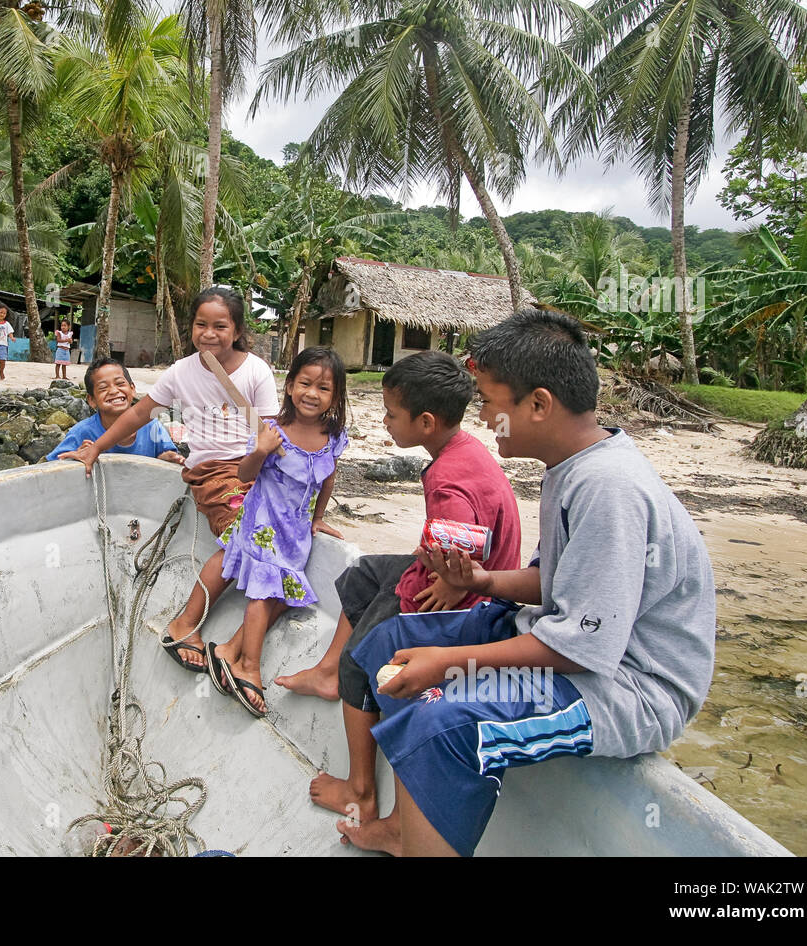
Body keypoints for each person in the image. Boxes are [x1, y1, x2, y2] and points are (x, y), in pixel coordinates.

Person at [353, 308, 716, 857]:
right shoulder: (569, 465)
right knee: (390, 643)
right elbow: (556, 581)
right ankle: (407, 829)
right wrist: (484, 579)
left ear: (539, 404)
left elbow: (584, 648)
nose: (482, 415)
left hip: (627, 685)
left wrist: (451, 663)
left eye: (489, 402)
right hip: (569, 641)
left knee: (441, 723)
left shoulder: (607, 489)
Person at [273, 351, 522, 846]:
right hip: (449, 573)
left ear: (425, 422)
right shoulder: (463, 450)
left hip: (455, 602)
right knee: (365, 574)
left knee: (360, 661)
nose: (384, 422)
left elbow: (458, 558)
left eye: (390, 414)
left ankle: (361, 788)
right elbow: (467, 537)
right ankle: (326, 671)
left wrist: (442, 579)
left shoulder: (447, 478)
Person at [62, 286, 279, 671]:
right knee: (241, 539)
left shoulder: (257, 370)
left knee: (286, 545)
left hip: (259, 468)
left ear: (238, 329)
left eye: (220, 326)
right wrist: (95, 447)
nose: (209, 334)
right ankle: (184, 624)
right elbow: (138, 414)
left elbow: (272, 431)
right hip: (215, 472)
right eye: (201, 325)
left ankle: (234, 647)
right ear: (190, 326)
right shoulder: (181, 373)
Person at [205, 347, 348, 717]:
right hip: (264, 524)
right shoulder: (274, 433)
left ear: (335, 396)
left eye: (323, 388)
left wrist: (318, 518)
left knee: (287, 597)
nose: (312, 393)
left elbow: (327, 479)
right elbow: (244, 476)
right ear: (289, 386)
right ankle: (249, 666)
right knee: (265, 593)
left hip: (296, 530)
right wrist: (261, 449)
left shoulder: (333, 436)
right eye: (305, 383)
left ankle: (228, 650)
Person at [45, 357, 183, 463]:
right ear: (91, 400)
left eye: (120, 383)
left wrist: (170, 458)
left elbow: (166, 457)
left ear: (132, 389)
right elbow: (51, 468)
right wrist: (75, 461)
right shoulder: (82, 432)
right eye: (103, 388)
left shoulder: (152, 426)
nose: (113, 391)